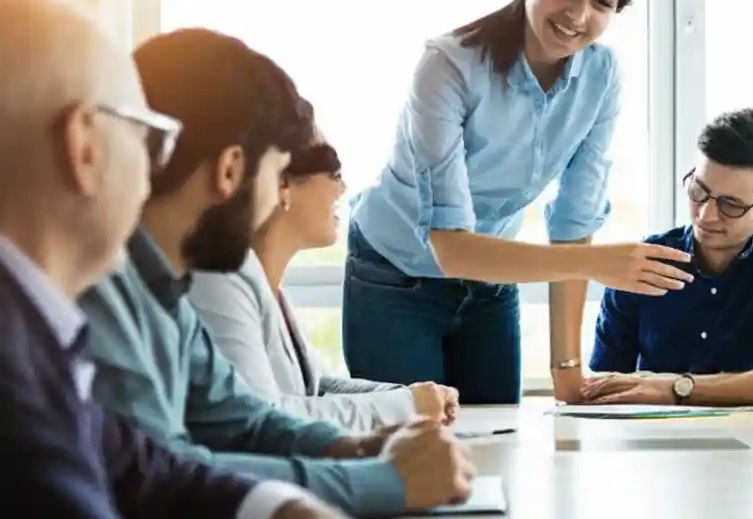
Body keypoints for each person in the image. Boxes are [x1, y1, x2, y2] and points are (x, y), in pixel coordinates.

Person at [79, 28, 475, 516]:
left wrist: (357, 449)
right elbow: (158, 474)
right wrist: (384, 480)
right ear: (230, 171)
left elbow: (241, 419)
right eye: (276, 171)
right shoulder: (97, 290)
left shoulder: (163, 287)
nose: (275, 198)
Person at [0, 0, 337, 518]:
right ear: (85, 147)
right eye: (147, 137)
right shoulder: (14, 371)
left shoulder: (39, 332)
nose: (156, 170)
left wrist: (274, 505)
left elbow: (138, 466)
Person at [344, 0, 692, 403]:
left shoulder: (602, 75)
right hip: (397, 276)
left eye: (603, 2)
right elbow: (452, 246)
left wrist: (567, 373)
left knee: (497, 444)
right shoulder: (449, 67)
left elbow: (575, 221)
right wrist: (599, 263)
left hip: (492, 281)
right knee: (413, 450)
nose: (578, 14)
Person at [190, 123, 459, 431]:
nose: (342, 189)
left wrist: (411, 396)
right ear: (283, 183)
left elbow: (316, 387)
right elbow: (265, 416)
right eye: (334, 173)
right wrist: (406, 405)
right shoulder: (223, 283)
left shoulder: (269, 286)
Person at [560, 109, 753, 406]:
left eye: (730, 205)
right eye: (699, 190)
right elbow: (606, 384)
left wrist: (677, 388)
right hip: (652, 440)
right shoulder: (643, 263)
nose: (706, 215)